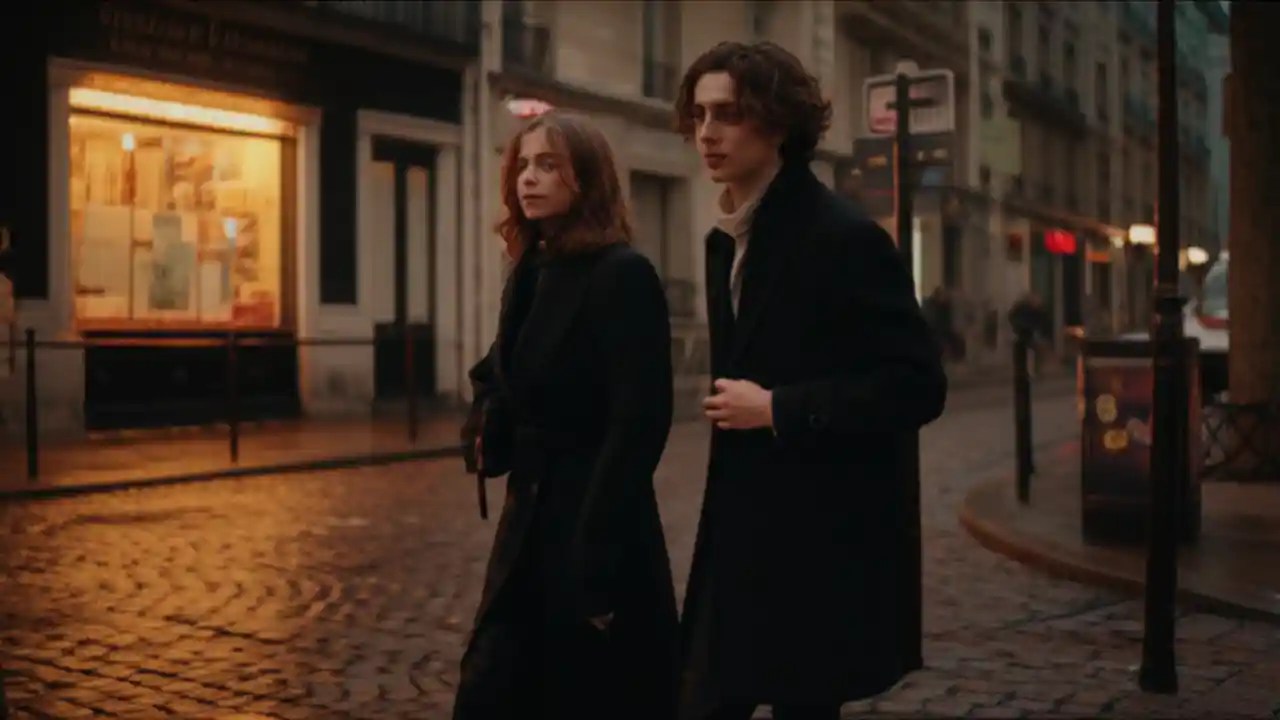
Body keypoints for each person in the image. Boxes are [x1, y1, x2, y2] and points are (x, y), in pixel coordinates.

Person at [673, 42, 948, 720]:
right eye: (699, 115)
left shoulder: (843, 238)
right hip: (738, 543)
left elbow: (917, 384)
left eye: (728, 114)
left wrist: (781, 409)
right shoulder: (724, 239)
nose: (707, 132)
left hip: (817, 548)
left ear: (777, 123)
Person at [453, 112, 679, 720]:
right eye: (523, 165)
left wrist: (596, 559)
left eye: (548, 165)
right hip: (527, 524)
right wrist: (486, 424)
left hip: (592, 524)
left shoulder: (621, 274)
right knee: (491, 688)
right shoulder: (530, 268)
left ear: (587, 179)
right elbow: (498, 369)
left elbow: (639, 424)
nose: (529, 178)